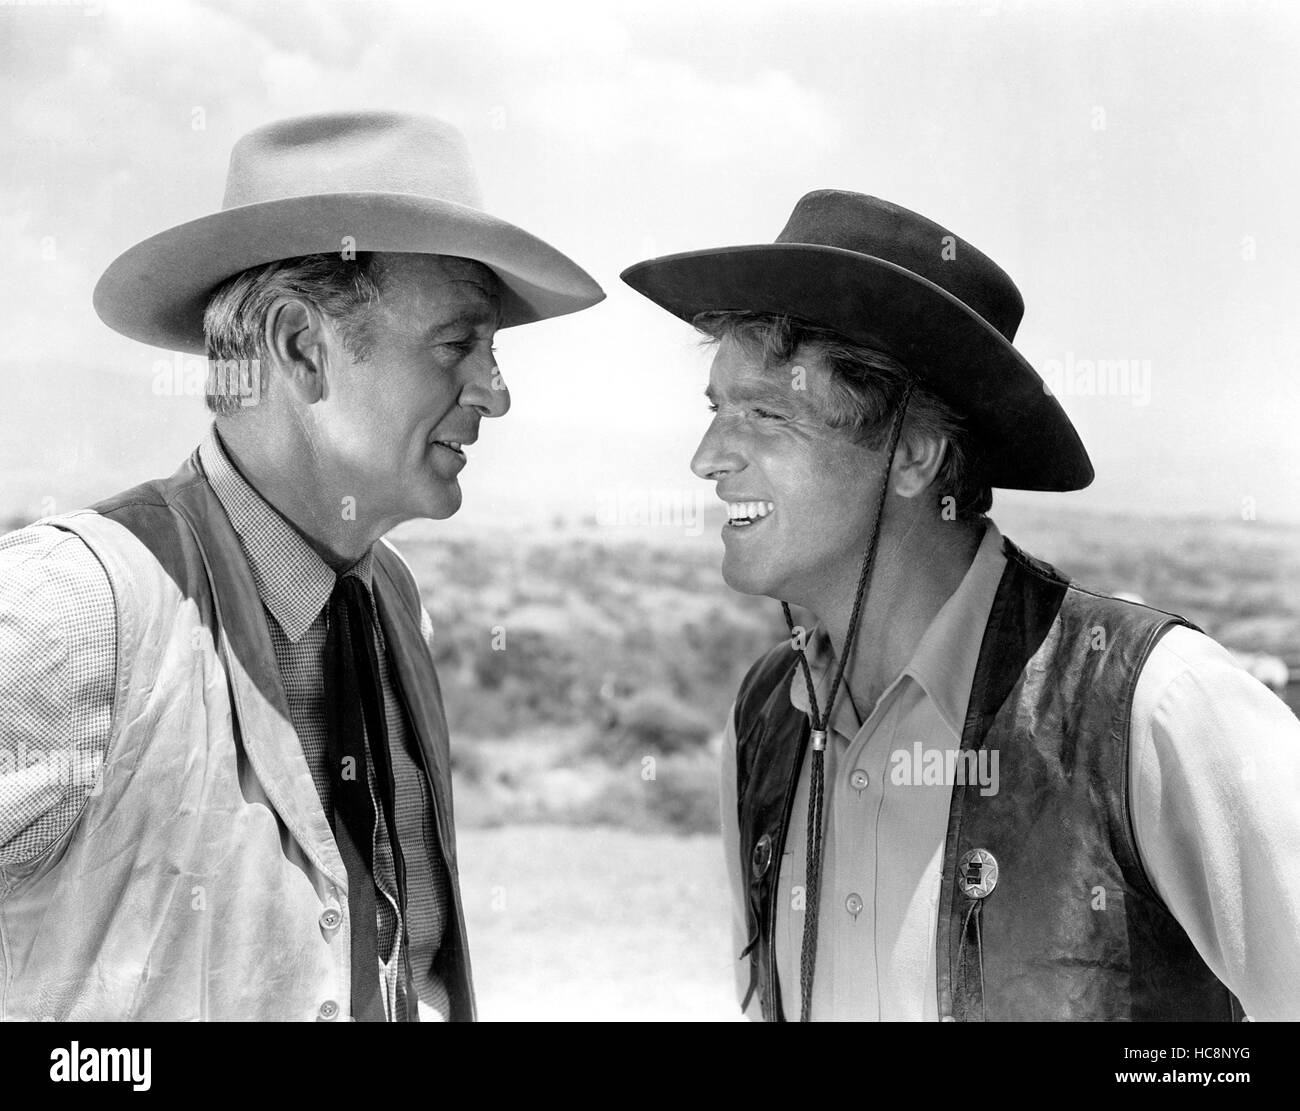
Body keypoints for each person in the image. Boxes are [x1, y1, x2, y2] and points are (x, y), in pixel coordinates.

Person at [621, 189, 1300, 1021]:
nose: (707, 457)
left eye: (765, 413)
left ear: (911, 455)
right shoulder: (766, 722)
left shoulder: (1152, 707)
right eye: (716, 408)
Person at [0, 110, 603, 1021]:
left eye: (493, 351)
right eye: (457, 344)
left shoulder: (392, 599)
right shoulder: (81, 605)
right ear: (297, 347)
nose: (496, 391)